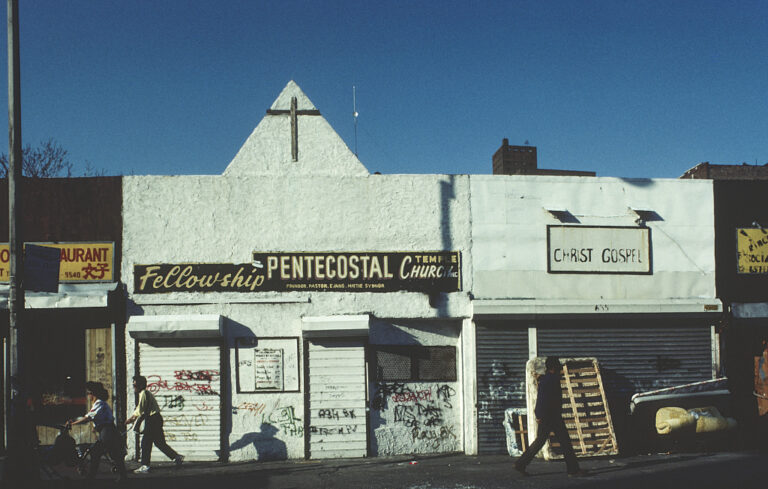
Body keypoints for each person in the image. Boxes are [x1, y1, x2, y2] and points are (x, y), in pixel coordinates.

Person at [514, 356, 585, 477]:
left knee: (540, 441)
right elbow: (544, 400)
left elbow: (541, 399)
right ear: (554, 368)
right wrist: (541, 414)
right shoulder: (552, 380)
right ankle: (573, 470)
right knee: (565, 442)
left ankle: (521, 463)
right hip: (552, 416)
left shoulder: (546, 379)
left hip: (547, 416)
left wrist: (539, 415)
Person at [67, 381, 127, 483]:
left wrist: (72, 424)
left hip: (108, 432)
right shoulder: (100, 404)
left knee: (97, 452)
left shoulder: (99, 403)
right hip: (108, 431)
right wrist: (96, 427)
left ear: (92, 393)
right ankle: (122, 477)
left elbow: (88, 417)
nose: (88, 396)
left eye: (88, 393)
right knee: (114, 454)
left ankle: (91, 478)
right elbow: (101, 418)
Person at [124, 375, 184, 473]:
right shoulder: (146, 393)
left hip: (152, 420)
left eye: (134, 385)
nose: (133, 387)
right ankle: (176, 457)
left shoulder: (143, 393)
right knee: (159, 443)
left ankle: (145, 465)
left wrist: (131, 419)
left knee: (146, 443)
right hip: (155, 419)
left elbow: (140, 409)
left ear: (139, 385)